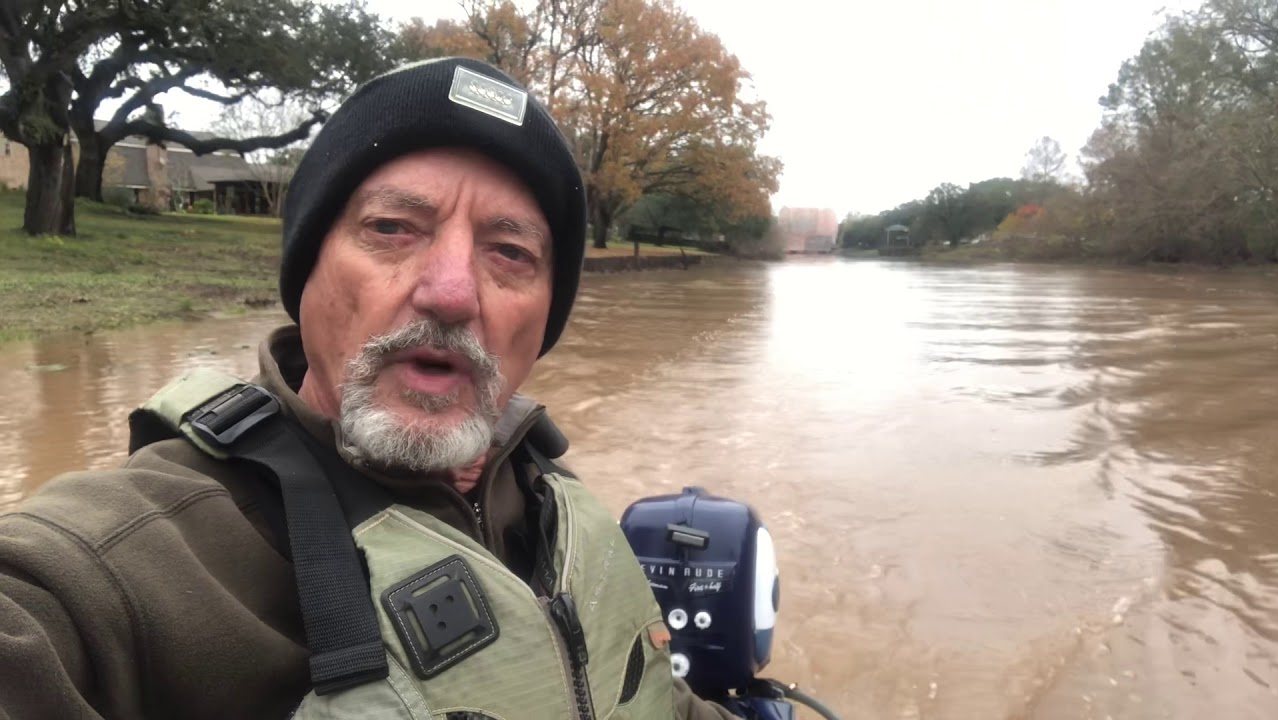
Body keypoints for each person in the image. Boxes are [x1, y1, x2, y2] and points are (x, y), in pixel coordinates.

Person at [0, 58, 741, 719]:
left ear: (545, 315)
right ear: (307, 273)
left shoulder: (547, 494)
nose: (451, 293)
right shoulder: (128, 564)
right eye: (391, 228)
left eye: (511, 252)